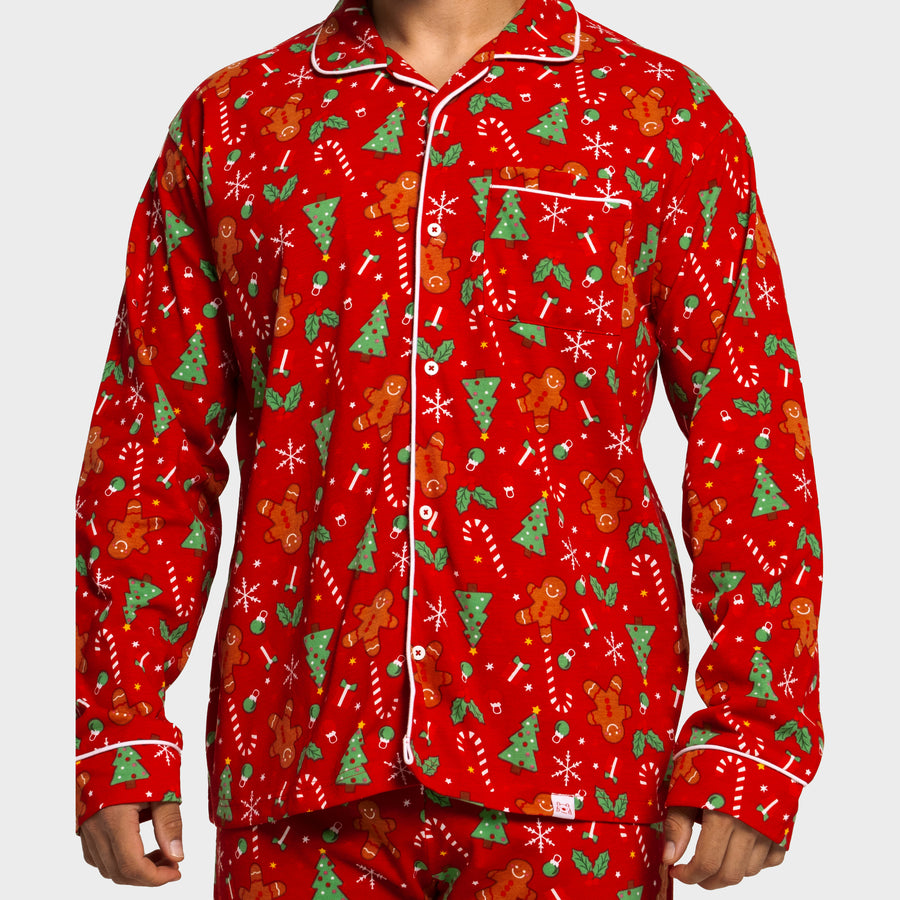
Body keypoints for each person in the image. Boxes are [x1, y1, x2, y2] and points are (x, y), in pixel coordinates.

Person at [74, 0, 823, 895]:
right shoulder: (234, 122)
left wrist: (756, 734)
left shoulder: (661, 115)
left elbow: (752, 439)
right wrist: (119, 724)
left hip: (577, 778)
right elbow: (149, 446)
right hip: (299, 779)